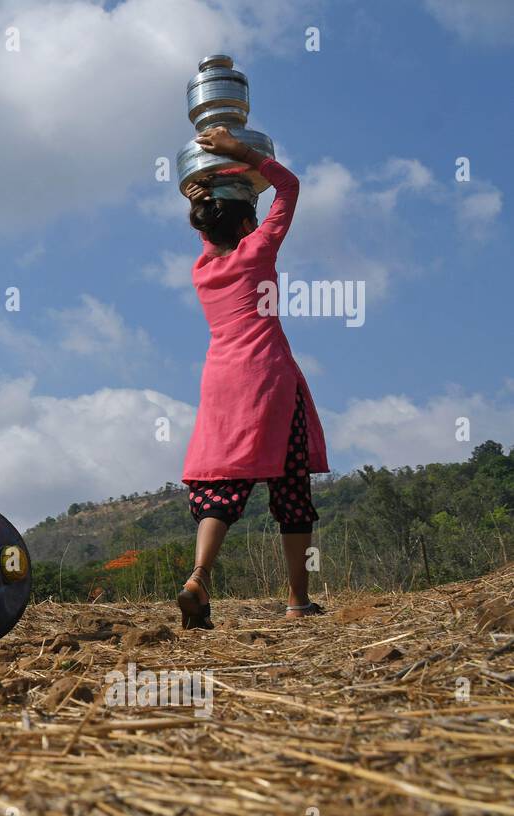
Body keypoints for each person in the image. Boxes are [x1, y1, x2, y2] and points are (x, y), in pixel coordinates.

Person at [177, 127, 328, 629]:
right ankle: (297, 601)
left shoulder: (204, 270)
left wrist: (201, 202)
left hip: (220, 382)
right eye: (253, 216)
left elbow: (213, 234)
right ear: (247, 223)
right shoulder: (257, 251)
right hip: (267, 379)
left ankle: (198, 577)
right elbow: (289, 188)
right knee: (290, 490)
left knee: (223, 483)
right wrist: (242, 153)